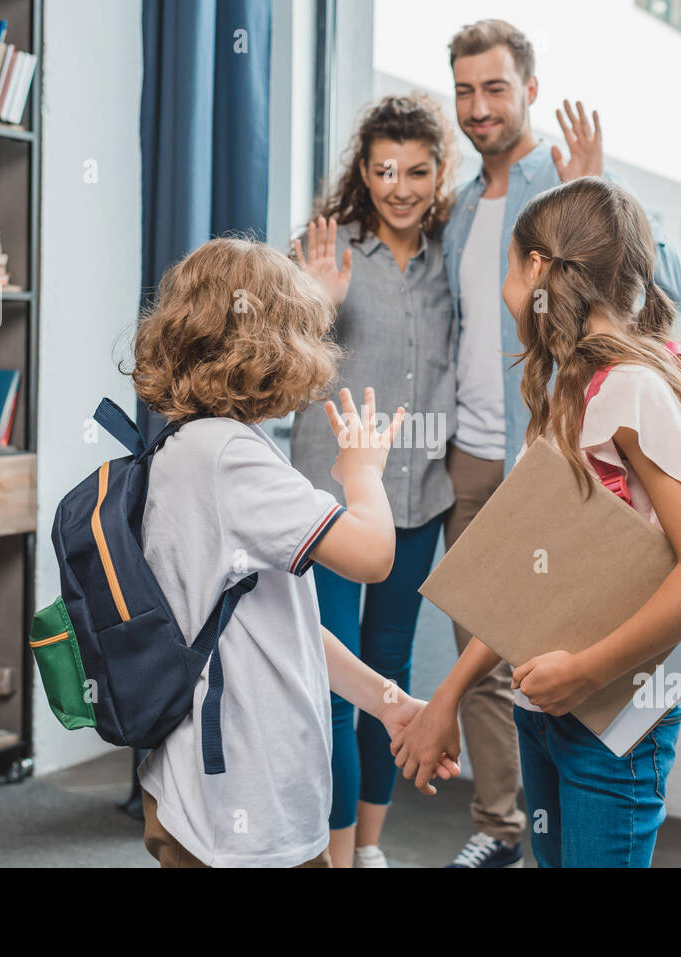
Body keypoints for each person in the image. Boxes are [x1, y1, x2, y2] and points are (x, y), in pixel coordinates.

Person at [392, 176, 681, 867]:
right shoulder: (569, 390)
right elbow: (533, 572)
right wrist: (448, 696)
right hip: (544, 707)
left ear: (537, 268)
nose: (503, 288)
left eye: (509, 265)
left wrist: (583, 671)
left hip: (614, 719)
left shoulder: (635, 392)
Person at [437, 18, 681, 868]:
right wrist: (446, 693)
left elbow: (659, 288)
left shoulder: (622, 387)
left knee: (597, 800)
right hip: (495, 458)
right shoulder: (464, 206)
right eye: (464, 90)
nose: (477, 107)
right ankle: (497, 821)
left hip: (613, 688)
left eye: (494, 87)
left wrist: (599, 181)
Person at [126, 237, 459, 868]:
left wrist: (388, 703)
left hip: (210, 797)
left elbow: (281, 623)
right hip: (242, 810)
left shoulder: (188, 447)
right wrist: (361, 472)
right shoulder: (230, 457)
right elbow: (373, 557)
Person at [289, 94, 457, 868]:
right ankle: (333, 854)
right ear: (364, 169)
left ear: (437, 172)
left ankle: (370, 850)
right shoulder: (326, 248)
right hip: (330, 500)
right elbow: (277, 371)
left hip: (416, 496)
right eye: (384, 169)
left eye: (416, 171)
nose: (400, 186)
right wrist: (315, 304)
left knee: (390, 678)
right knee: (329, 682)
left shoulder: (447, 256)